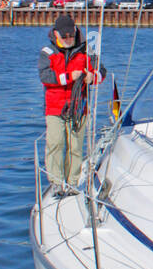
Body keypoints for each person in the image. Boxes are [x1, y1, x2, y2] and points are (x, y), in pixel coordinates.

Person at [39, 13, 106, 193]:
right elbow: (45, 76)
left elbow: (102, 72)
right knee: (55, 143)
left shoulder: (86, 51)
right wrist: (69, 77)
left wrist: (93, 77)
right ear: (56, 34)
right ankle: (55, 182)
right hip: (55, 108)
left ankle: (72, 183)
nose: (68, 39)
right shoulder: (48, 52)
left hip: (78, 108)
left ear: (75, 32)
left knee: (75, 147)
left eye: (71, 35)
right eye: (64, 36)